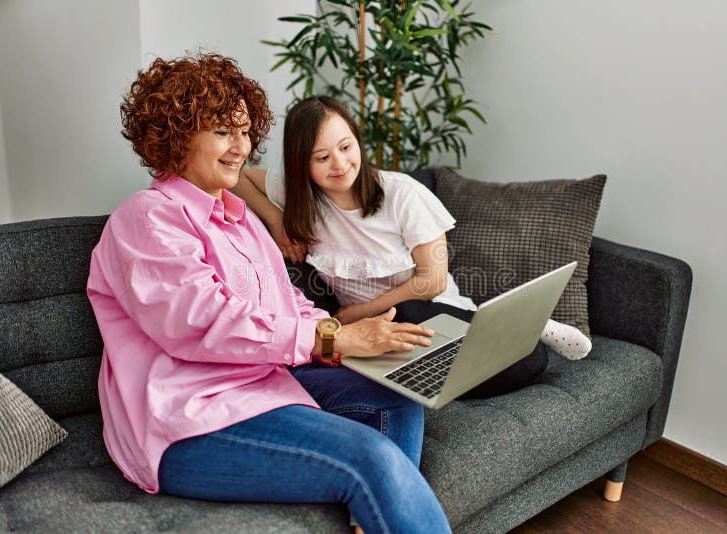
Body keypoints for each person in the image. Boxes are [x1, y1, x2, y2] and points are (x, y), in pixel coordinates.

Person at [87, 53, 452, 534]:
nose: (240, 147)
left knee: (400, 391)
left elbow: (288, 305)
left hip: (268, 385)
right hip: (191, 419)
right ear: (176, 136)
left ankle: (376, 511)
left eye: (244, 131)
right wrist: (337, 339)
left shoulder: (241, 220)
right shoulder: (148, 217)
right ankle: (380, 487)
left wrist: (351, 334)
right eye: (222, 131)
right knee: (371, 456)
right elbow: (203, 323)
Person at [231, 96, 592, 398]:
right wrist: (277, 222)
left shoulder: (402, 195)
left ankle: (528, 326)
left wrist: (359, 312)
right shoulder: (298, 194)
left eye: (346, 147)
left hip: (431, 311)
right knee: (395, 352)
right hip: (375, 334)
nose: (340, 164)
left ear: (358, 141)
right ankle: (476, 348)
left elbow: (432, 281)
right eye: (322, 158)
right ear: (301, 165)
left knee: (521, 358)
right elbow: (241, 178)